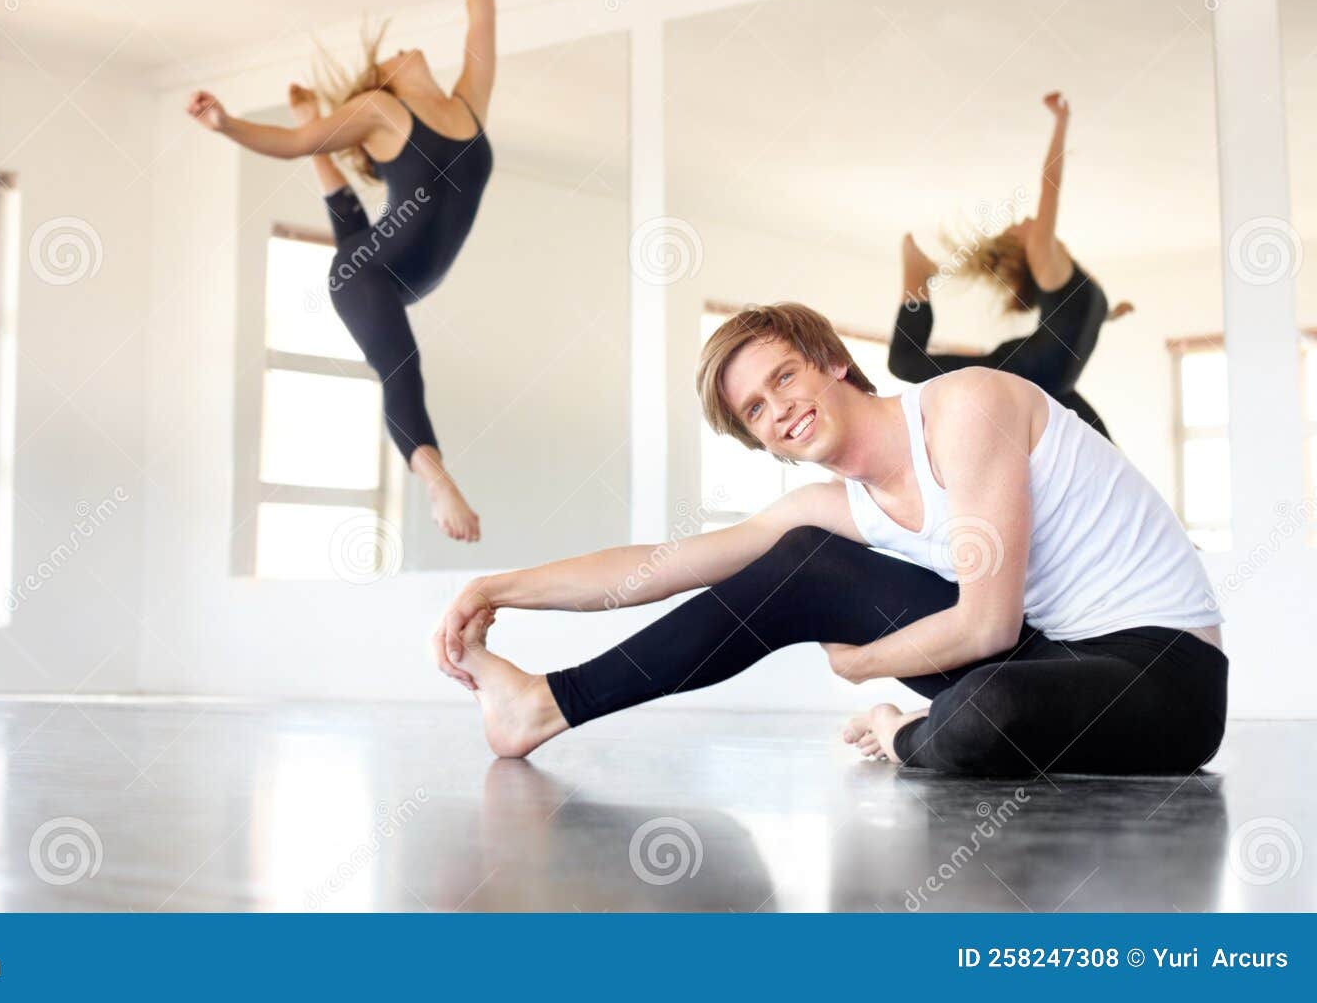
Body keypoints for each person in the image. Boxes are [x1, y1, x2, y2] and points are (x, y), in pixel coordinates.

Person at [430, 303, 1226, 777]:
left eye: (783, 377)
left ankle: (904, 733)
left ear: (834, 363)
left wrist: (862, 668)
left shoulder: (965, 409)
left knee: (996, 703)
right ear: (761, 441)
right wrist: (497, 586)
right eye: (754, 409)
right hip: (1052, 656)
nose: (776, 408)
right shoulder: (833, 505)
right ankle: (542, 703)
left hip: (1162, 674)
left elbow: (989, 628)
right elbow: (658, 567)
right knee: (800, 564)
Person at [187, 0, 494, 541]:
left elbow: (482, 16)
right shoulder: (382, 112)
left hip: (408, 267)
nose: (403, 46)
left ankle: (320, 148)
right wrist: (226, 124)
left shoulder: (469, 102)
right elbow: (297, 144)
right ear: (382, 81)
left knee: (356, 224)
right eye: (390, 55)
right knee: (399, 361)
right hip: (370, 275)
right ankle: (436, 481)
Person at [888, 93, 1133, 440]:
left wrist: (1110, 313)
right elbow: (1051, 185)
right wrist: (1061, 122)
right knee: (903, 363)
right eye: (1016, 226)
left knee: (1107, 456)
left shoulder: (1069, 278)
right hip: (1023, 369)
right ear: (1024, 247)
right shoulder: (1044, 259)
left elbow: (1075, 321)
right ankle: (917, 274)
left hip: (1056, 384)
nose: (1026, 219)